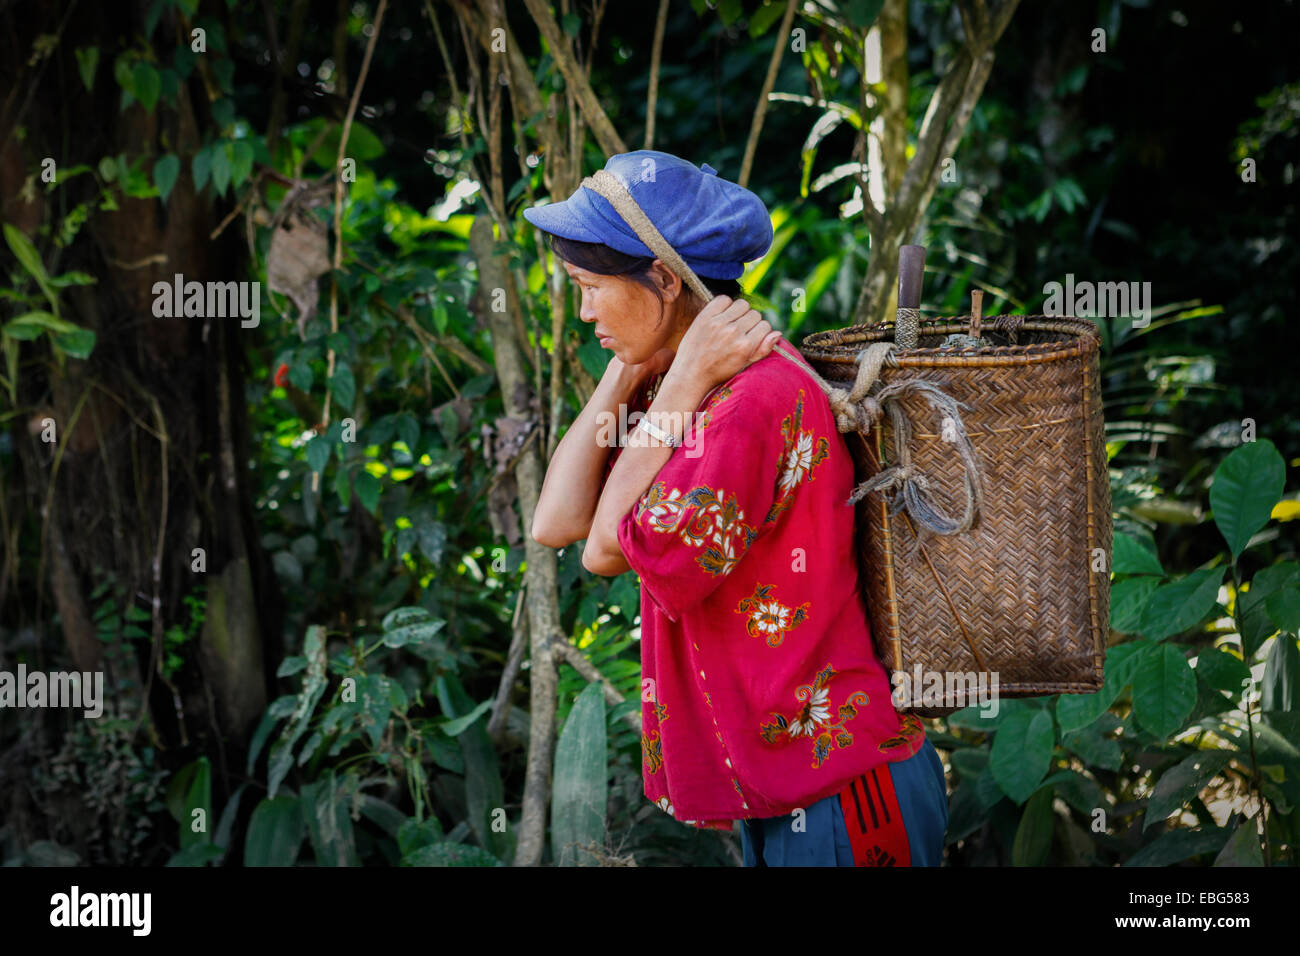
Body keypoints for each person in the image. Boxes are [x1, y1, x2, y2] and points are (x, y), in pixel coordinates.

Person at [526, 150, 948, 866]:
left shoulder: (747, 405)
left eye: (591, 287)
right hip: (786, 791)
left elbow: (603, 552)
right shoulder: (686, 386)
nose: (586, 310)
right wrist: (638, 366)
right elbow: (555, 523)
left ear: (663, 277)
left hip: (846, 796)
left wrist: (682, 376)